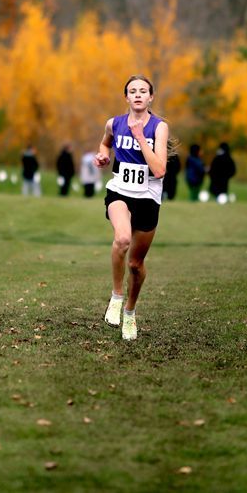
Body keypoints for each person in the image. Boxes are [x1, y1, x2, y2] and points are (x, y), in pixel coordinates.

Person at [93, 74, 170, 341]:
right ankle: (116, 296)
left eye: (143, 91)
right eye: (132, 91)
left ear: (150, 97)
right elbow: (105, 142)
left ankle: (130, 311)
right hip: (120, 192)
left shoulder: (159, 128)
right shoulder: (114, 123)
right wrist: (103, 155)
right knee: (122, 238)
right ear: (126, 97)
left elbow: (159, 169)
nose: (137, 95)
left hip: (148, 198)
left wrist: (139, 137)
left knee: (136, 265)